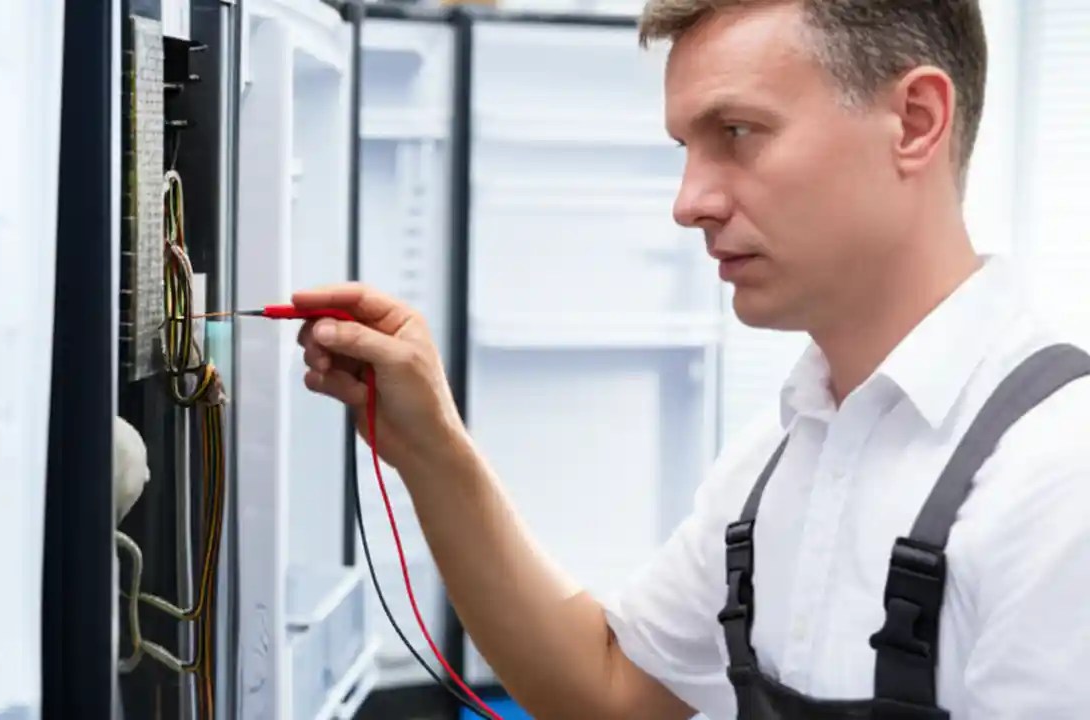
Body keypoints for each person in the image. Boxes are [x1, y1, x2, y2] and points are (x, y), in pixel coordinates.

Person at [291, 1, 1090, 718]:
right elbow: (609, 690)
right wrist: (430, 448)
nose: (688, 202)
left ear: (915, 122)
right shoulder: (784, 458)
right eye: (685, 147)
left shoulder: (1059, 482)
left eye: (737, 133)